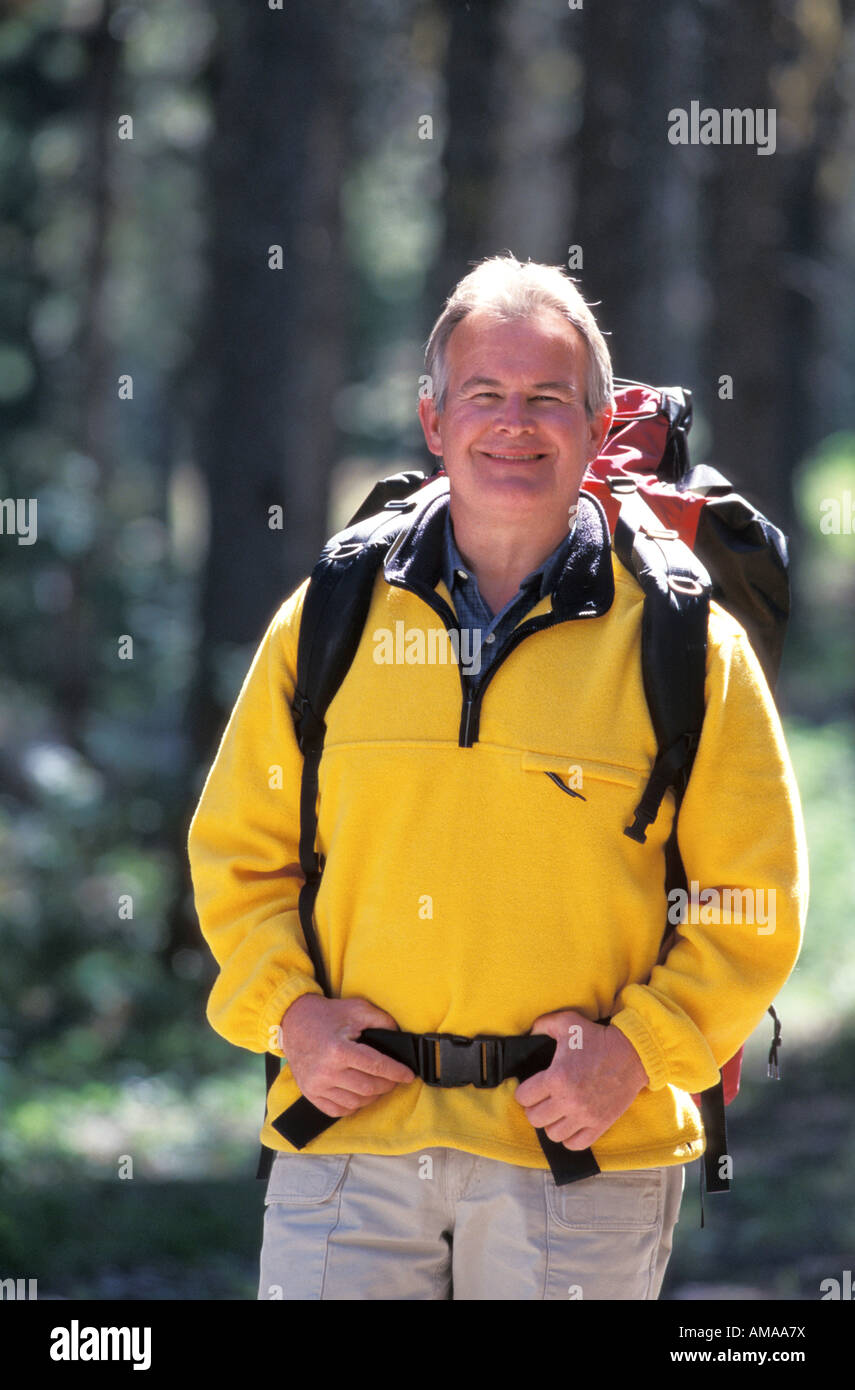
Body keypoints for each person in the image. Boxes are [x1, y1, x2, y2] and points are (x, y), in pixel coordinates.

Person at [187, 253, 808, 1301]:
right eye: (484, 394)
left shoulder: (685, 639)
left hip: (585, 1156)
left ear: (598, 424)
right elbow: (238, 857)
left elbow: (753, 899)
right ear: (435, 421)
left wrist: (638, 1051)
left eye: (547, 398)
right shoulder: (329, 619)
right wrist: (289, 1014)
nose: (512, 424)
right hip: (347, 1142)